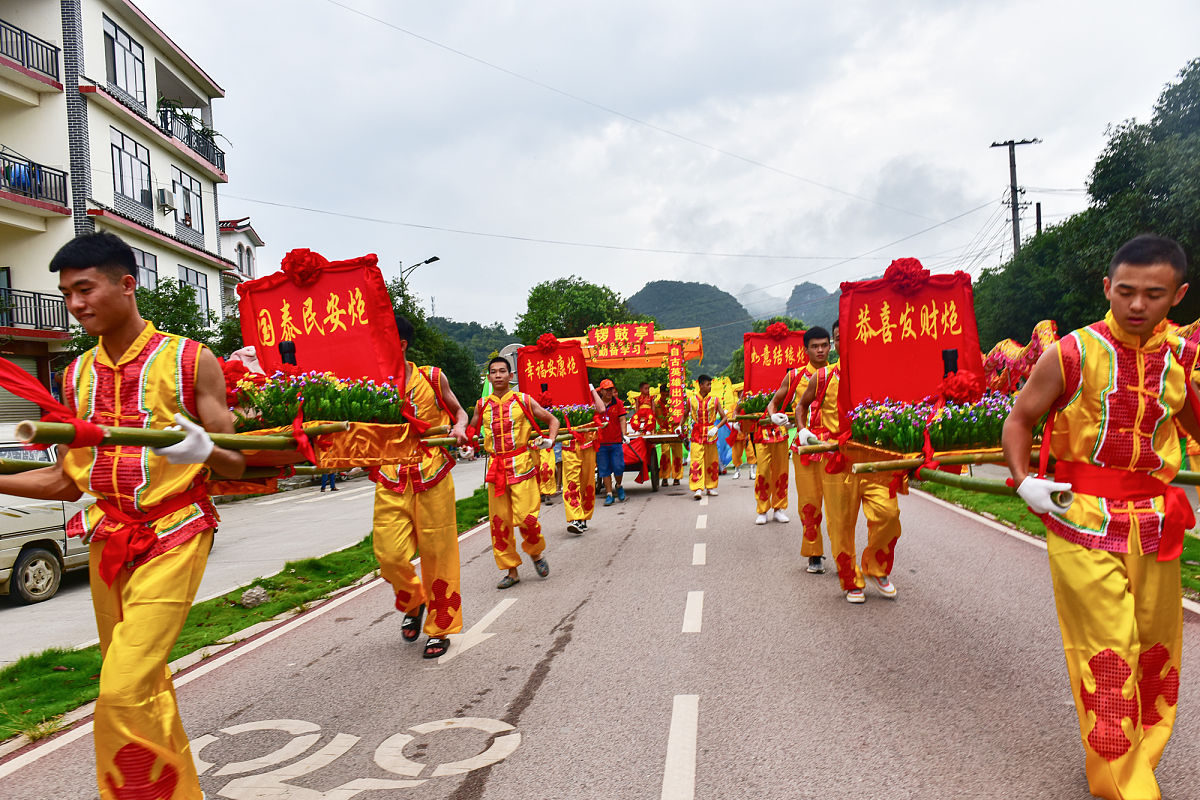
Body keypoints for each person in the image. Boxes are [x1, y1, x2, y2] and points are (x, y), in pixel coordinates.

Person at [0, 231, 245, 800]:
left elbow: (236, 462)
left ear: (127, 284)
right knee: (146, 682)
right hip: (110, 539)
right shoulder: (75, 375)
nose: (75, 304)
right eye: (66, 294)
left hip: (177, 529)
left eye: (85, 288)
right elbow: (66, 480)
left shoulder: (189, 359)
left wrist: (206, 451)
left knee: (123, 687)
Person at [1002, 234, 1198, 800]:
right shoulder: (1071, 352)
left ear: (1178, 295)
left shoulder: (1184, 359)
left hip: (1157, 523)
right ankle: (1126, 787)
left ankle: (1139, 760)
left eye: (1154, 294)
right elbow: (1020, 418)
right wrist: (1024, 482)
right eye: (1127, 292)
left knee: (1158, 651)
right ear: (1106, 287)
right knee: (1108, 650)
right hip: (1082, 517)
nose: (1138, 305)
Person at [370, 314, 470, 659]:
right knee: (389, 555)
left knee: (439, 556)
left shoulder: (431, 377)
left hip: (433, 476)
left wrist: (458, 428)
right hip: (391, 477)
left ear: (400, 344)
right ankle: (414, 601)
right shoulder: (372, 384)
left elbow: (459, 412)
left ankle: (440, 628)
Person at [796, 320, 901, 603]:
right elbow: (801, 405)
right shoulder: (823, 377)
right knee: (840, 525)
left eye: (851, 337)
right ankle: (850, 579)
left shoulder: (880, 374)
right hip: (837, 463)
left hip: (874, 461)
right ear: (835, 343)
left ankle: (877, 567)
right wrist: (803, 429)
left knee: (888, 514)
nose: (845, 343)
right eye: (839, 338)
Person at [466, 356, 560, 588]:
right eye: (493, 372)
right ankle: (511, 570)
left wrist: (550, 440)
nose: (498, 375)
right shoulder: (482, 405)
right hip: (496, 471)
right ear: (488, 376)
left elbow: (552, 420)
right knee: (500, 523)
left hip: (522, 467)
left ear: (511, 376)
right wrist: (467, 444)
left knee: (527, 519)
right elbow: (472, 428)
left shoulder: (524, 400)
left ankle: (536, 552)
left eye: (502, 371)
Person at [766, 326, 832, 572]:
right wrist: (774, 417)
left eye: (824, 345)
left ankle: (842, 551)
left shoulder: (838, 373)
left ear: (830, 346)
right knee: (809, 502)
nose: (820, 350)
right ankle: (814, 553)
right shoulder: (795, 376)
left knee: (840, 504)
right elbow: (773, 403)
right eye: (814, 346)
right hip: (804, 447)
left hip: (832, 446)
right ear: (806, 349)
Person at [563, 384, 606, 534]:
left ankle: (583, 518)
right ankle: (575, 518)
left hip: (588, 444)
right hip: (569, 443)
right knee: (571, 481)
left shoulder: (588, 393)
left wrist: (591, 388)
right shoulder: (562, 391)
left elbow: (601, 410)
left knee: (587, 481)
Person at [684, 374, 728, 499]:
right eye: (708, 384)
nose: (710, 387)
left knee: (711, 461)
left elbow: (724, 417)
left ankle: (710, 487)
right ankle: (697, 488)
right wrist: (679, 426)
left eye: (710, 384)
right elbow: (685, 414)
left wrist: (716, 427)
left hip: (710, 434)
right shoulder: (691, 400)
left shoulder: (715, 400)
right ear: (701, 385)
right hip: (697, 433)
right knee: (696, 460)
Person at [595, 378, 629, 506]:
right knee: (604, 469)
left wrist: (624, 435)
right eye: (607, 390)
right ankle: (609, 494)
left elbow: (622, 420)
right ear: (601, 391)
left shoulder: (618, 403)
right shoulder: (596, 404)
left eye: (611, 389)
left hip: (615, 442)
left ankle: (619, 485)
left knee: (619, 467)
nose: (609, 392)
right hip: (601, 443)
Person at [654, 382, 684, 486]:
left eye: (667, 395)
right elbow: (656, 418)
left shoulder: (675, 404)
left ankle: (677, 477)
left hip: (675, 431)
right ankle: (665, 477)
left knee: (677, 454)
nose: (665, 397)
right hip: (663, 432)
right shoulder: (657, 404)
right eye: (663, 395)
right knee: (664, 454)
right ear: (660, 394)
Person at [729, 391, 757, 480]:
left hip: (746, 434)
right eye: (741, 393)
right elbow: (730, 416)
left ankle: (752, 471)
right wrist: (735, 423)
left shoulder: (748, 405)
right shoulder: (733, 406)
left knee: (751, 453)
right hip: (736, 435)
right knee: (736, 455)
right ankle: (737, 471)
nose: (742, 395)